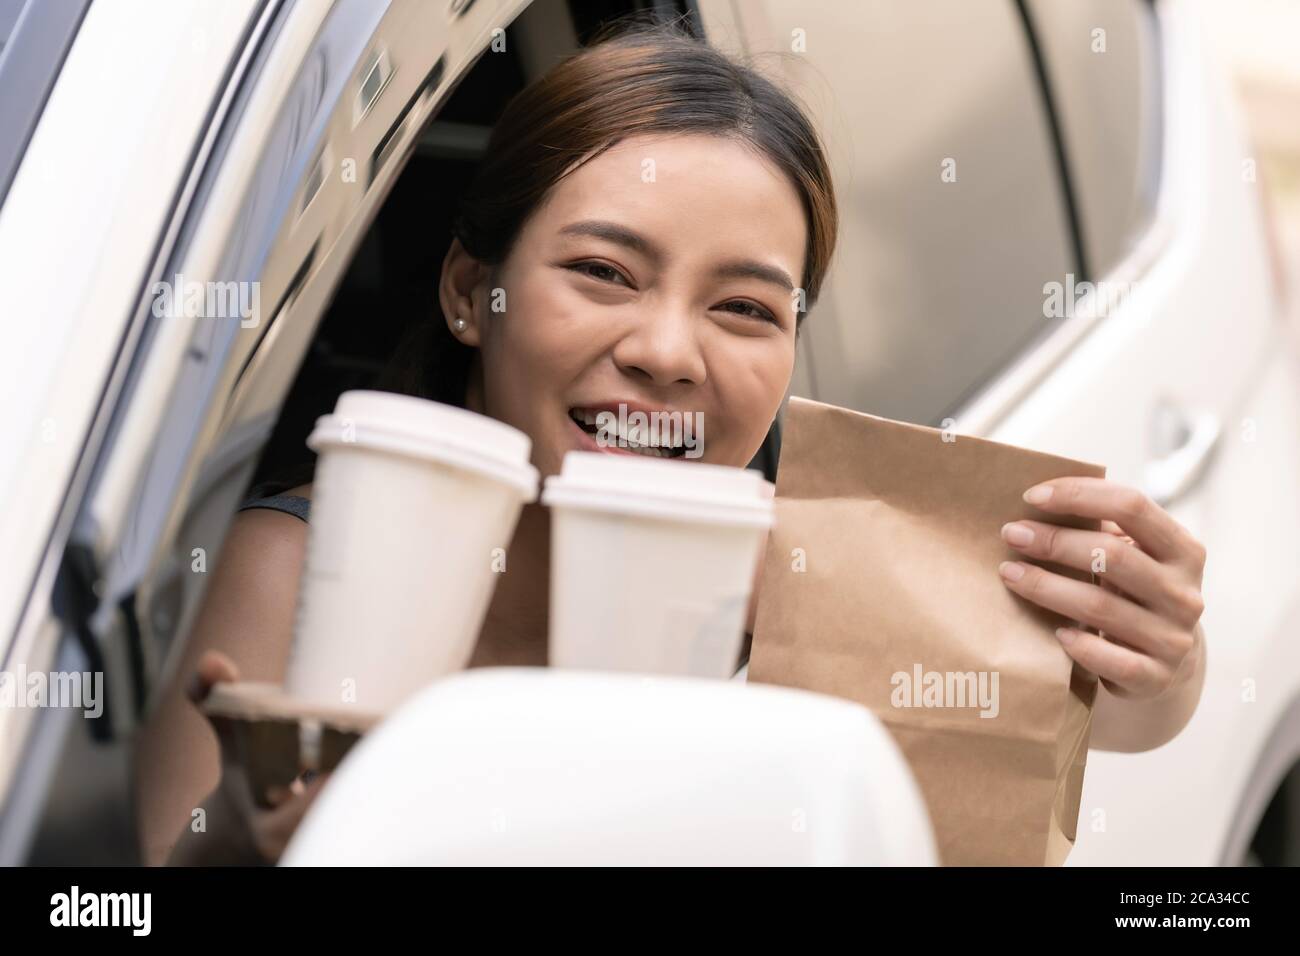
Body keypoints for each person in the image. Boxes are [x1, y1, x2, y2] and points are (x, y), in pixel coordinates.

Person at [137, 20, 1207, 866]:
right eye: (603, 271)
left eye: (744, 307)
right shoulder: (309, 572)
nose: (664, 351)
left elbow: (1089, 722)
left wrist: (1161, 661)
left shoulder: (828, 579)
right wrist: (230, 844)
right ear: (474, 290)